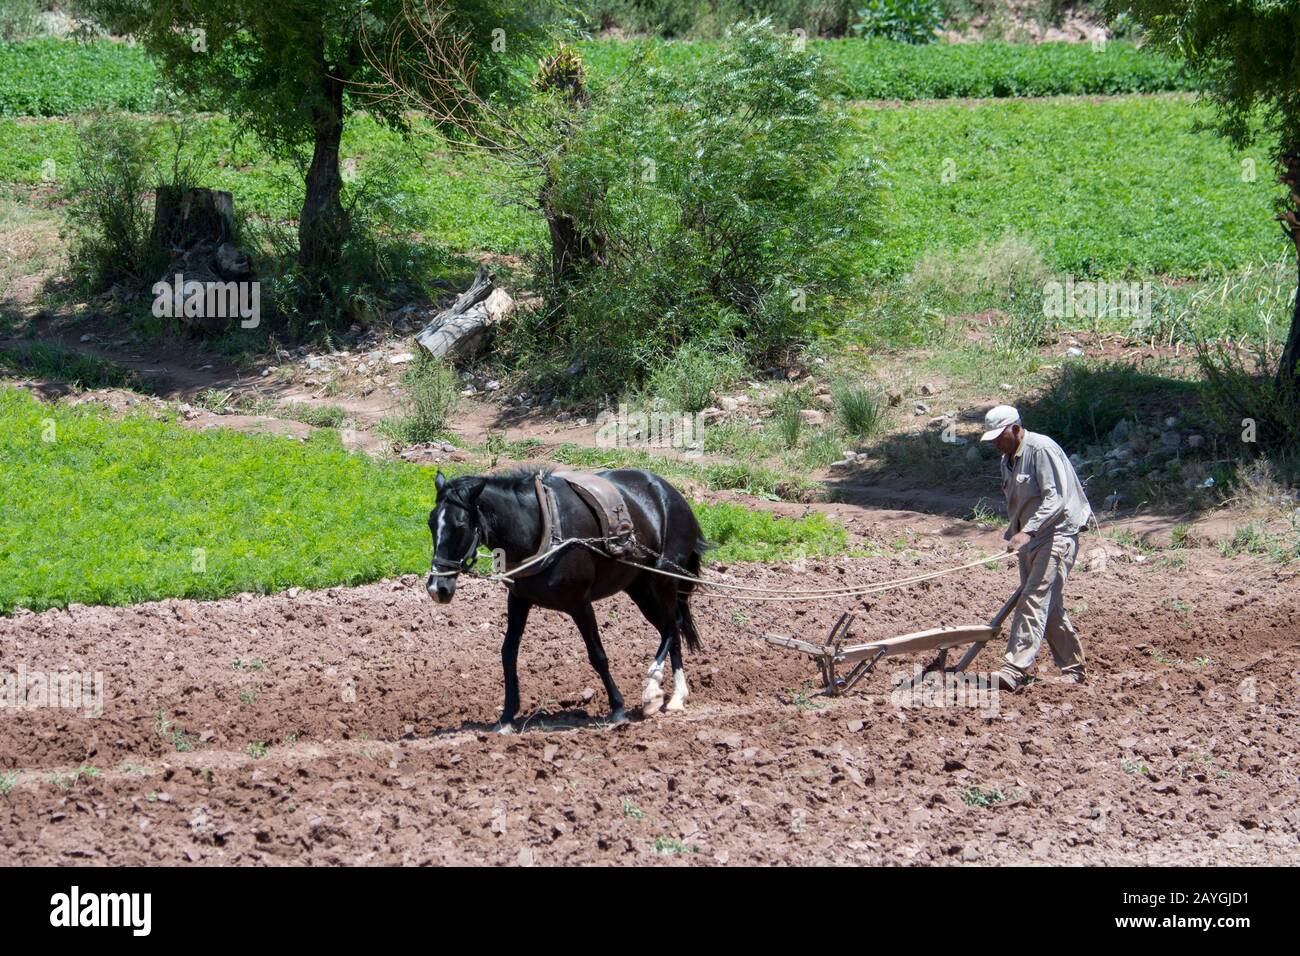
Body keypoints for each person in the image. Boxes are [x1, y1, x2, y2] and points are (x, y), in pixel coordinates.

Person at [979, 405, 1092, 691]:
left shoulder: (1041, 449)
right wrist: (1015, 534)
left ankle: (1013, 668)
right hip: (1030, 538)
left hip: (1057, 535)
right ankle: (1074, 669)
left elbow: (1056, 499)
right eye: (991, 439)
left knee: (1032, 599)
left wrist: (1027, 532)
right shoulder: (1007, 461)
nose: (995, 443)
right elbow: (1017, 504)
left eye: (999, 436)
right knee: (1047, 605)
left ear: (1015, 429)